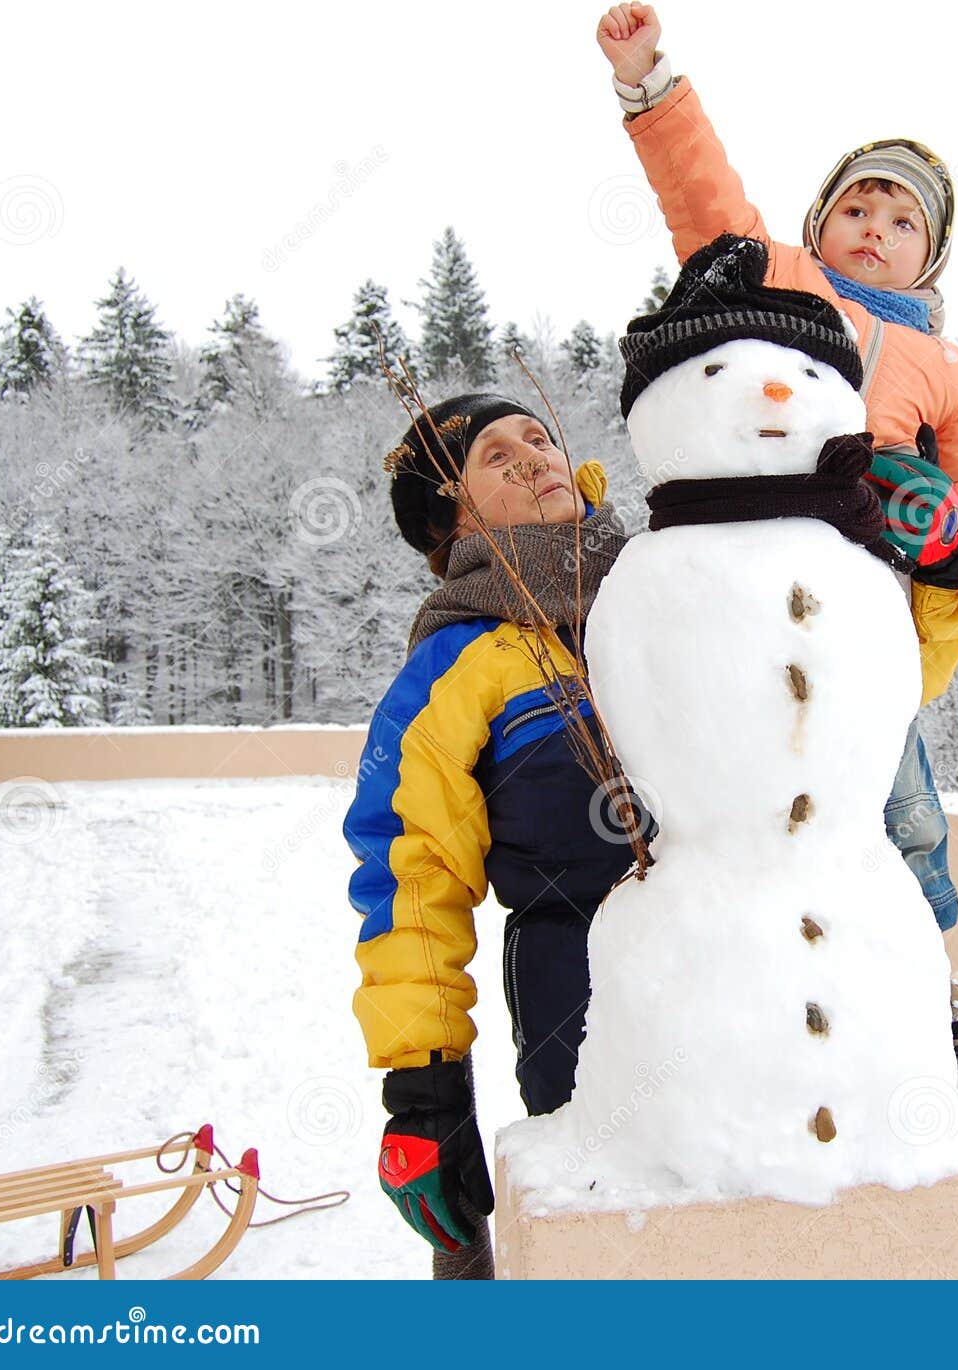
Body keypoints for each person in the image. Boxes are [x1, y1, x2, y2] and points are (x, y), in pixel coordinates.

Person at [597, 2, 958, 1054]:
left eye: (902, 224)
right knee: (719, 779)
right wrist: (649, 81)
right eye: (857, 209)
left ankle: (921, 983)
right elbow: (700, 196)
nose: (874, 232)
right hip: (741, 575)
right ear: (820, 222)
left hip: (857, 612)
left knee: (899, 807)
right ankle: (715, 984)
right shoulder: (778, 278)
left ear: (928, 258)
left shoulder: (943, 365)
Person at [343, 394, 636, 1277]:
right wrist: (425, 1086)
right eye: (495, 459)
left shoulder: (663, 590)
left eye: (539, 438)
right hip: (578, 995)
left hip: (741, 960)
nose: (532, 459)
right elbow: (413, 869)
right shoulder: (458, 662)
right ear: (453, 515)